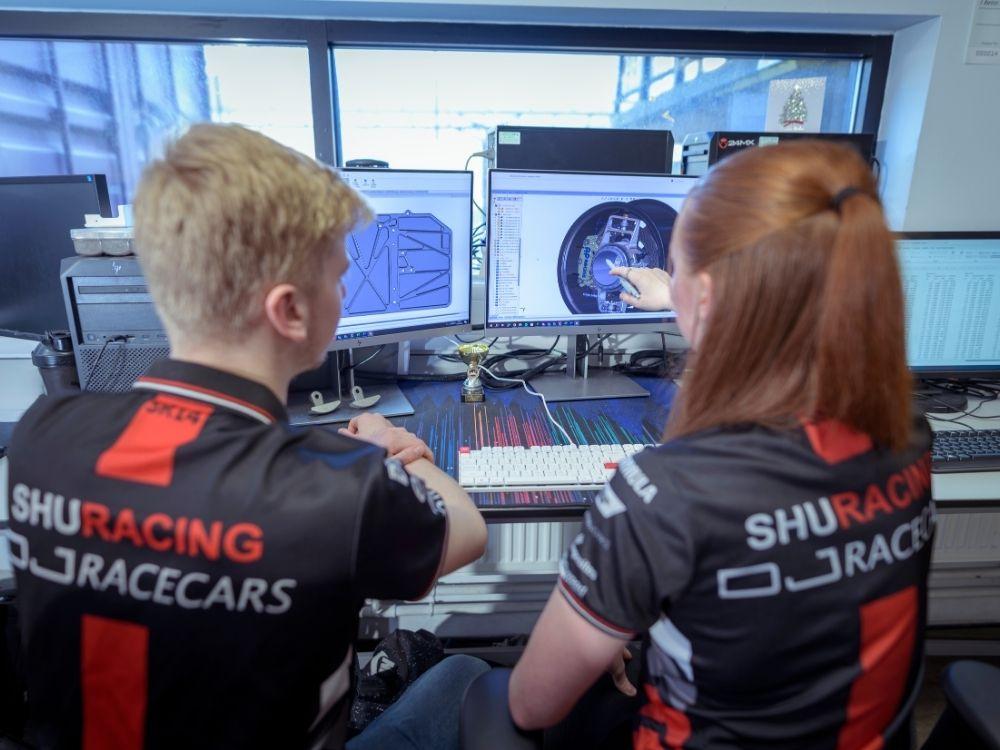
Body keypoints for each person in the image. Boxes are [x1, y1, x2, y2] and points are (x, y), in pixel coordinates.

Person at [6, 123, 488, 750]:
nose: (346, 297)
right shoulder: (336, 486)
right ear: (289, 310)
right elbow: (469, 531)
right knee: (465, 675)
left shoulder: (43, 435)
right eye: (340, 280)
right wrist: (403, 450)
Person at [508, 140, 934, 749]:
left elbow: (530, 705)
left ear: (704, 297)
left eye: (675, 272)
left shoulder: (661, 495)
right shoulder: (909, 438)